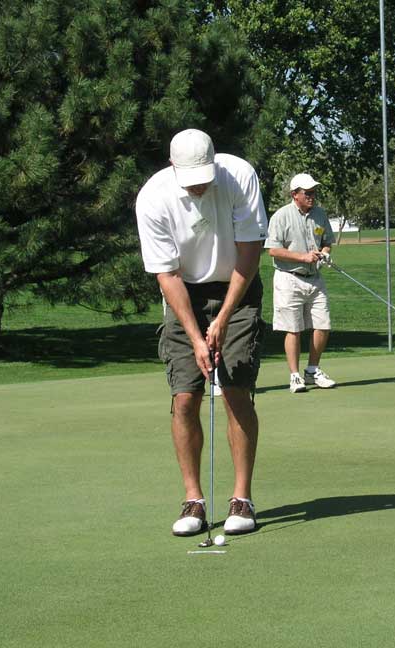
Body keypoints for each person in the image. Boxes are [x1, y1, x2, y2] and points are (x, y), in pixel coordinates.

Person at [136, 129, 267, 535]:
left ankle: (241, 499)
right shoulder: (153, 198)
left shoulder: (239, 176)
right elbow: (167, 273)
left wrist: (225, 317)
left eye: (205, 174)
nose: (199, 184)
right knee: (185, 396)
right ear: (173, 166)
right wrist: (196, 336)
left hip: (238, 287)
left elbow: (250, 250)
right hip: (184, 293)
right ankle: (193, 500)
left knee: (235, 389)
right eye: (191, 176)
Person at [265, 173, 337, 393]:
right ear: (294, 194)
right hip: (289, 278)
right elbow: (273, 250)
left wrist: (324, 253)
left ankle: (312, 370)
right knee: (293, 328)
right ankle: (295, 376)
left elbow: (326, 242)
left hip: (314, 278)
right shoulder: (281, 216)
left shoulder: (320, 215)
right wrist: (302, 257)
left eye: (314, 192)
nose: (312, 196)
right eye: (307, 193)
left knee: (323, 325)